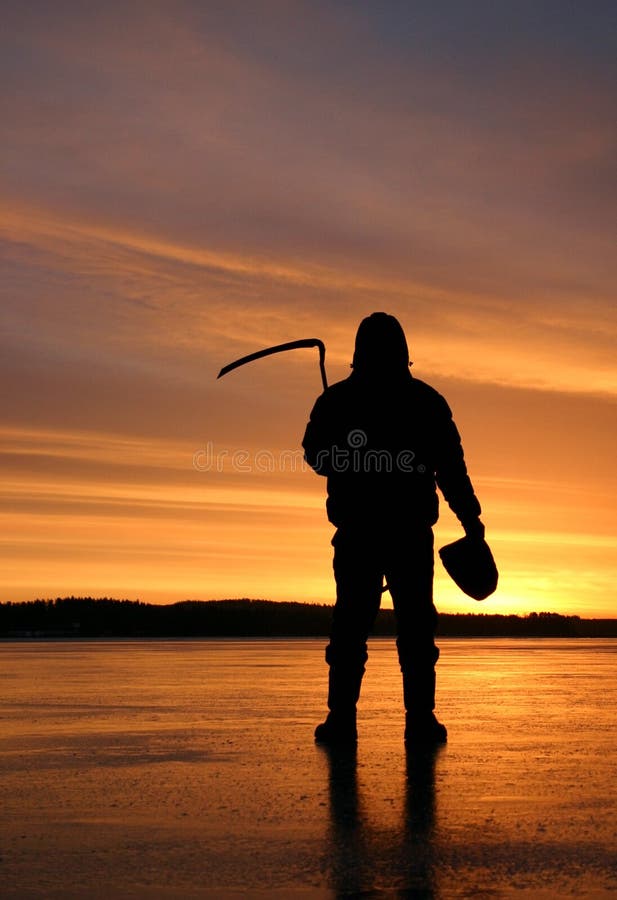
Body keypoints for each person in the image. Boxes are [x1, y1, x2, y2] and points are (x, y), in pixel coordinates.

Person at [302, 312, 485, 745]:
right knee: (395, 629)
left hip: (377, 534)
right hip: (389, 534)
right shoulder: (422, 402)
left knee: (368, 627)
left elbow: (315, 455)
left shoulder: (341, 402)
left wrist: (471, 519)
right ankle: (402, 719)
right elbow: (452, 471)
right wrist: (471, 520)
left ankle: (354, 720)